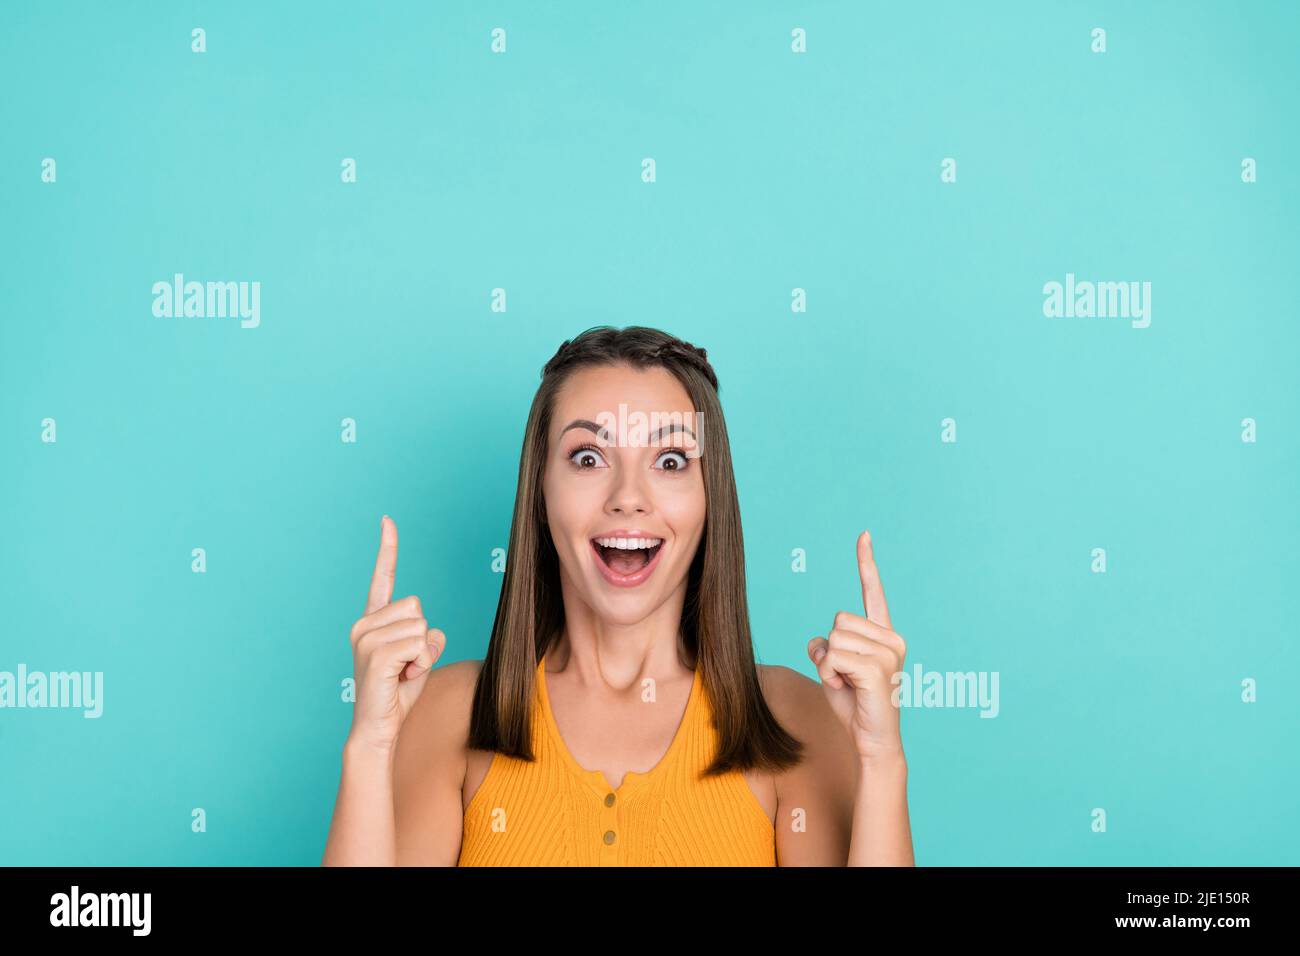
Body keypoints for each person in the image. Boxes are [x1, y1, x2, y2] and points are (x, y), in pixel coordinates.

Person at [322, 325, 914, 866]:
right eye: (588, 457)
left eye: (670, 459)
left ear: (710, 498)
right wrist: (370, 747)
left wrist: (882, 760)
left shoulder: (792, 719)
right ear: (541, 491)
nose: (628, 497)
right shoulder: (452, 712)